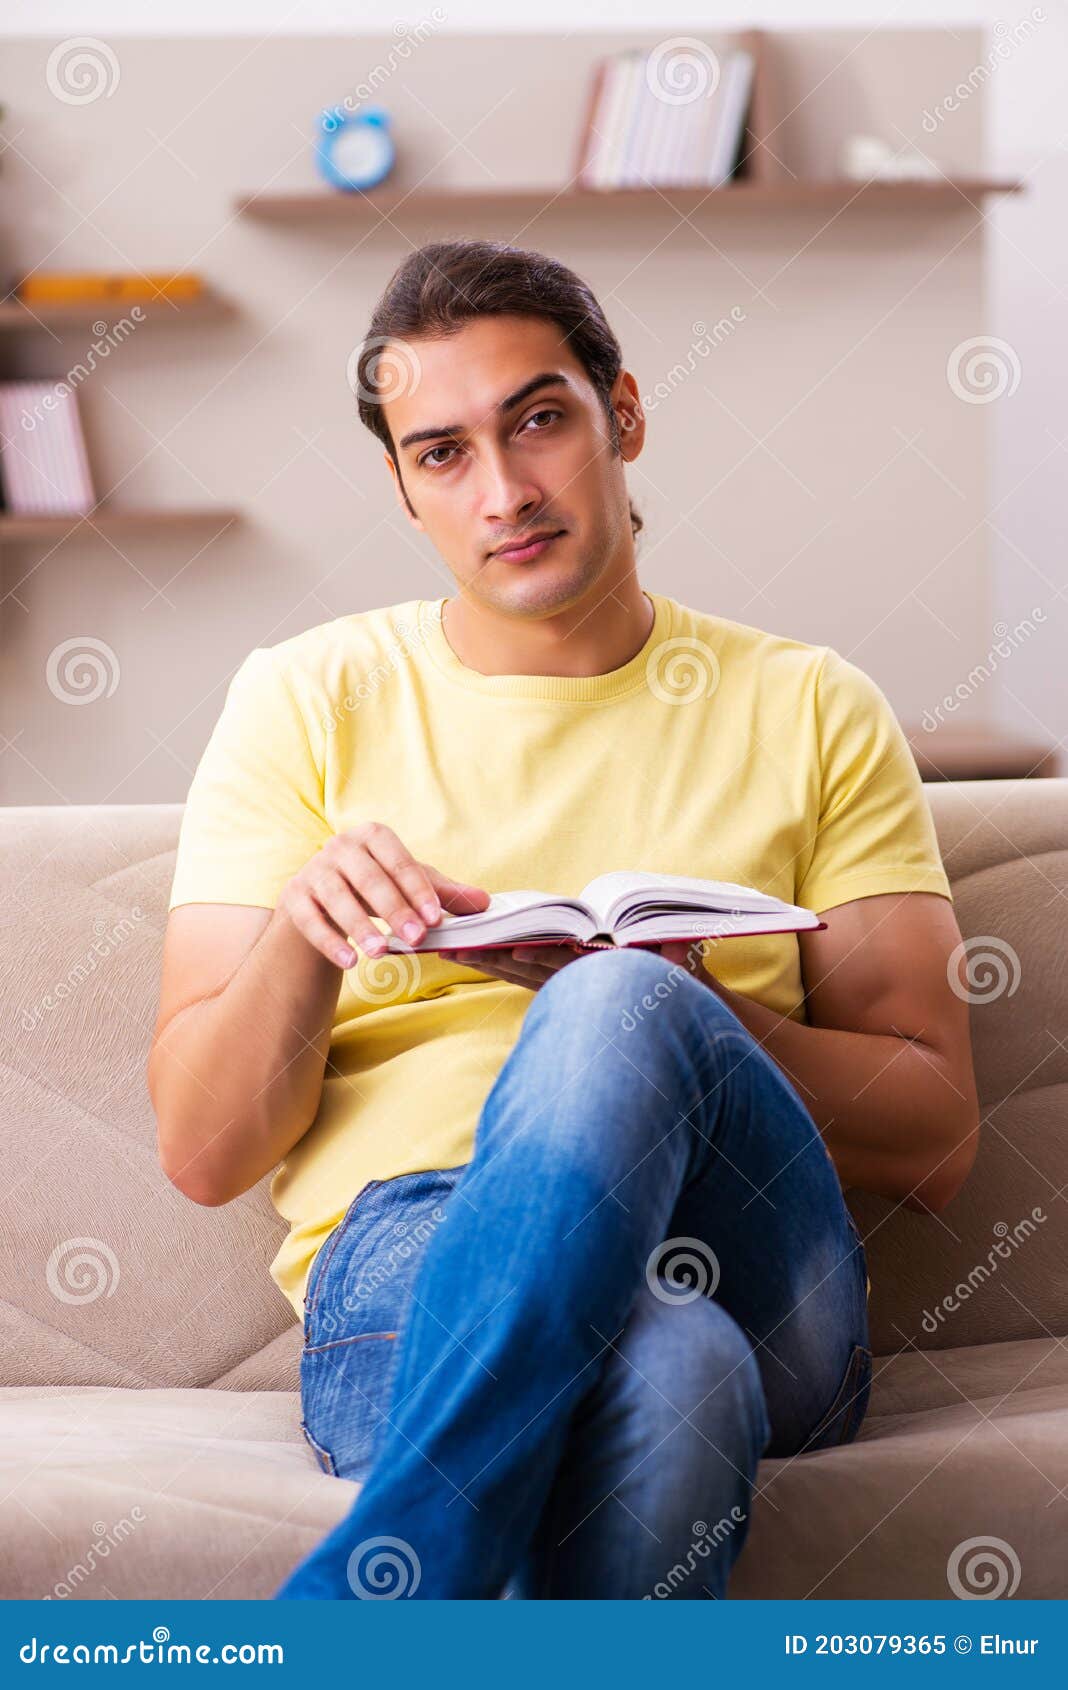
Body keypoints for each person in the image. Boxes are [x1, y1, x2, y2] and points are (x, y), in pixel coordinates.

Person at [148, 239, 979, 1601]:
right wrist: (304, 935)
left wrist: (689, 1010)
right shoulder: (308, 697)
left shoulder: (814, 707)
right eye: (443, 453)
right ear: (404, 488)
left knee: (618, 1000)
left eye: (540, 419)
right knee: (672, 1362)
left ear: (624, 415)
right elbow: (201, 1144)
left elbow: (936, 1133)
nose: (506, 490)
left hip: (753, 1255)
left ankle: (379, 1603)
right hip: (416, 1249)